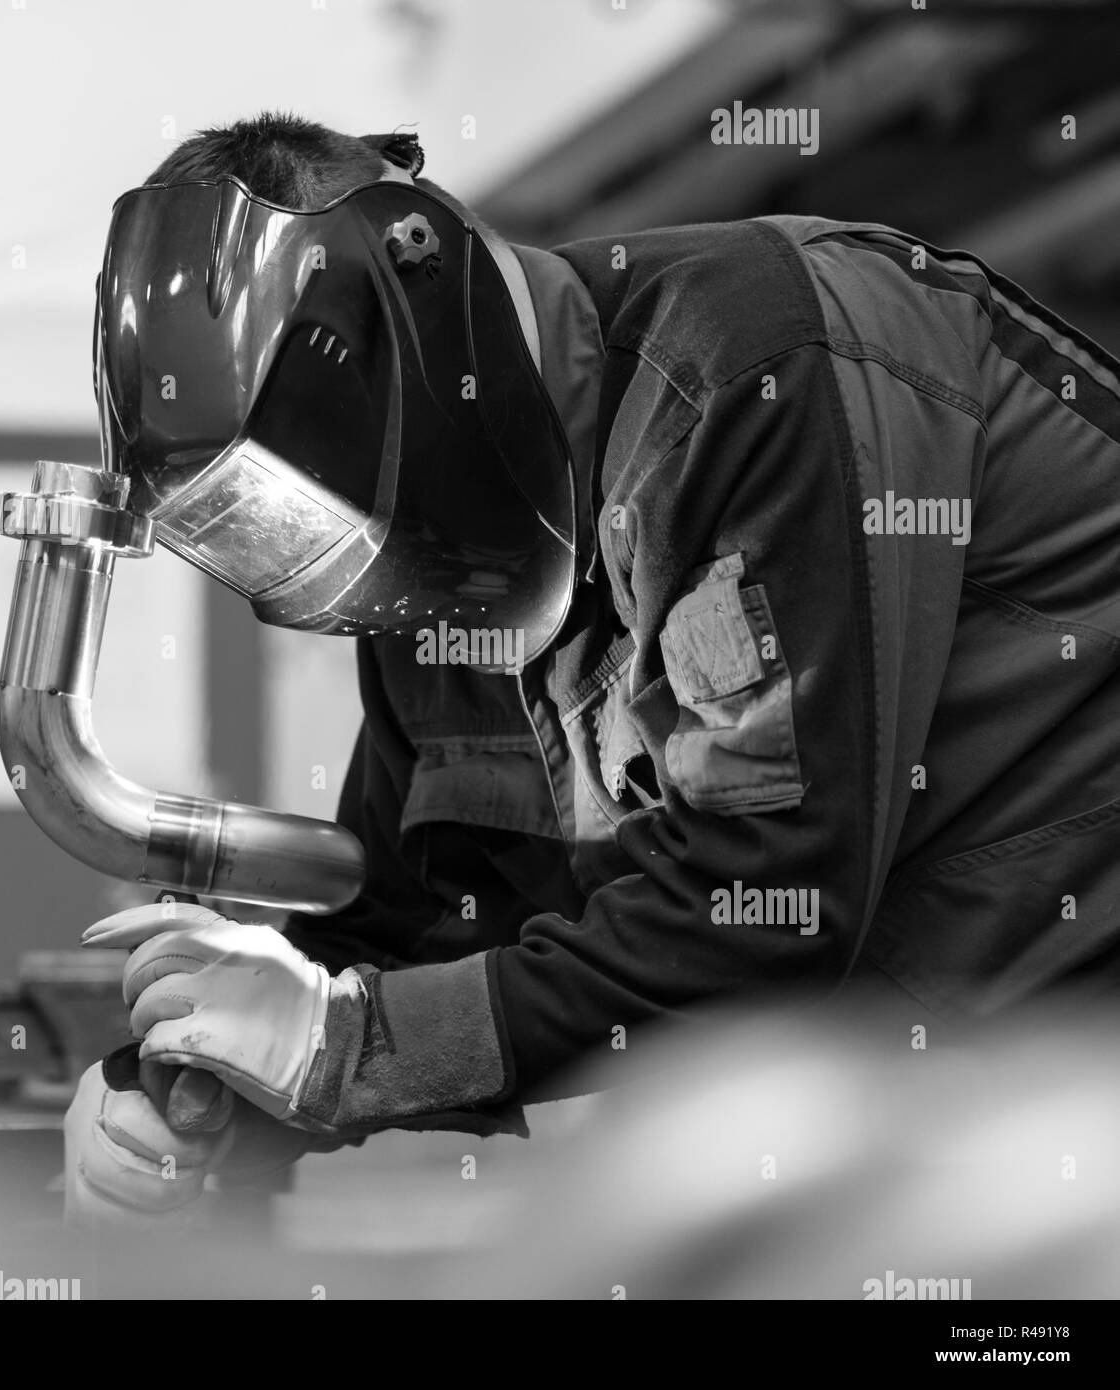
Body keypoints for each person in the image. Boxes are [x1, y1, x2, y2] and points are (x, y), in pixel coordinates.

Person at [65, 111, 1120, 1223]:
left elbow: (766, 906)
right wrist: (199, 1090)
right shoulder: (441, 564)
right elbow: (411, 923)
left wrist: (342, 1043)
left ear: (423, 304)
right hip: (925, 1138)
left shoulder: (751, 363)